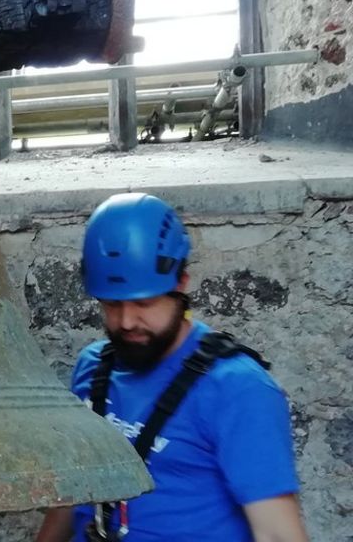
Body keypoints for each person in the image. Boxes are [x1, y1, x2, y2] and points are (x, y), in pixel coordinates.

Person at [35, 193, 309, 542]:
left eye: (144, 303)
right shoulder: (93, 368)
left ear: (181, 283)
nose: (127, 321)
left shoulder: (238, 390)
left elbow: (279, 534)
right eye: (111, 305)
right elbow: (69, 499)